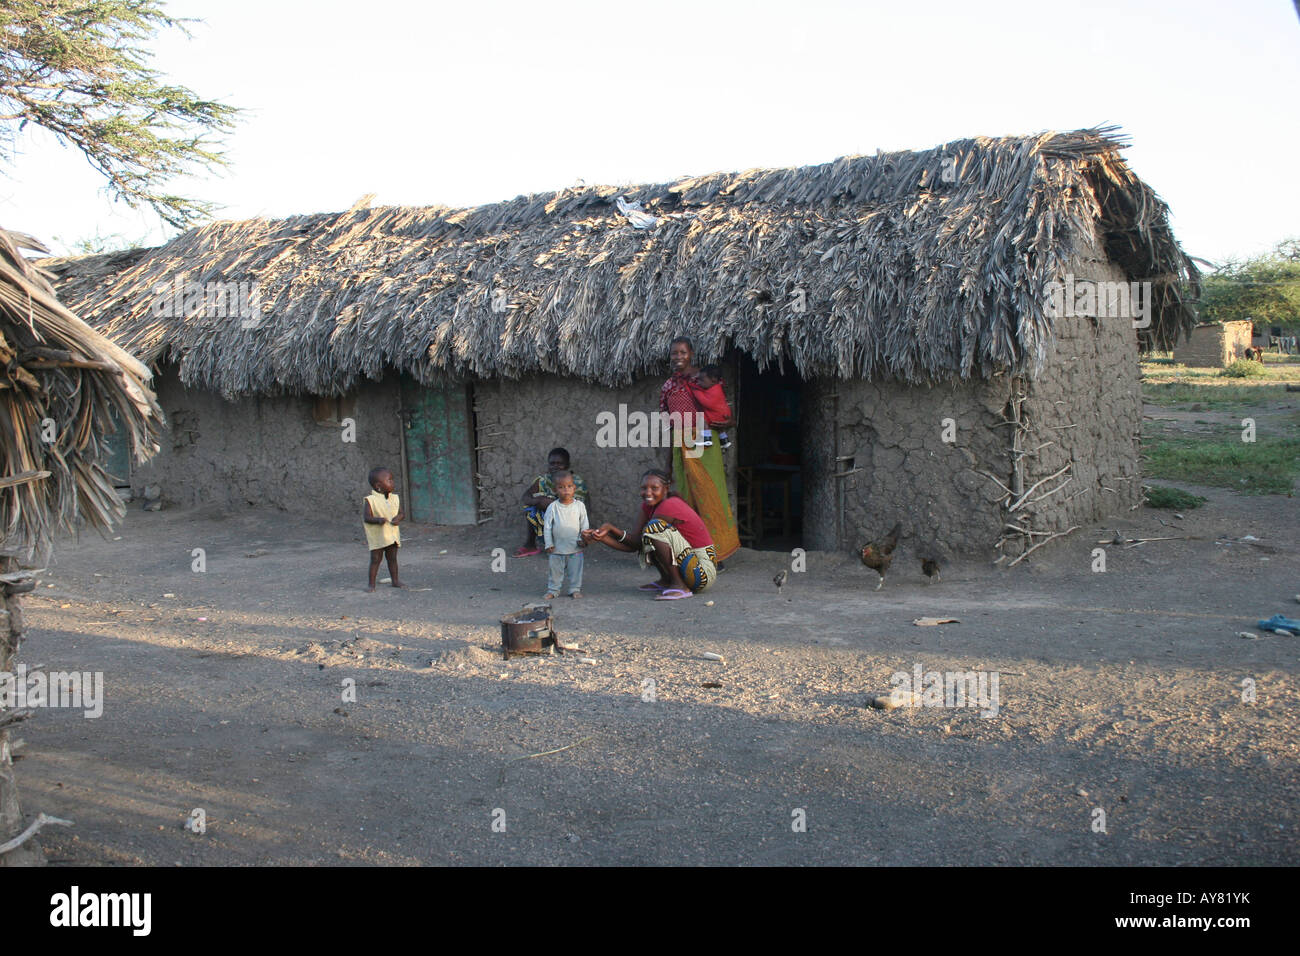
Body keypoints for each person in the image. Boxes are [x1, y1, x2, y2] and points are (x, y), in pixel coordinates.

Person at [659, 337, 740, 561]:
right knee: (687, 500)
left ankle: (717, 554)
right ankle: (694, 553)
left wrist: (728, 423)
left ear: (691, 354)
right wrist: (668, 463)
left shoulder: (705, 379)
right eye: (674, 353)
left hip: (705, 446)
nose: (678, 357)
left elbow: (723, 410)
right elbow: (669, 426)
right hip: (681, 444)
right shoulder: (668, 386)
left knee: (710, 496)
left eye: (683, 352)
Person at [582, 468, 716, 601]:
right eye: (644, 488)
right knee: (650, 534)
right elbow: (636, 543)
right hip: (692, 569)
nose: (648, 492)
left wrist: (611, 529)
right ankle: (667, 580)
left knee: (654, 528)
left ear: (666, 488)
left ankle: (680, 586)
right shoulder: (648, 506)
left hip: (702, 574)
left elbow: (638, 542)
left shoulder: (670, 505)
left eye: (654, 488)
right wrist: (602, 536)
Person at [516, 447, 589, 557]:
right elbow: (526, 496)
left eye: (560, 464)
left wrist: (549, 504)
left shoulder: (575, 482)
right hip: (550, 521)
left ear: (567, 465)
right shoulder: (544, 480)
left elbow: (575, 508)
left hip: (570, 523)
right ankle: (530, 545)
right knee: (531, 509)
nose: (555, 466)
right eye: (552, 463)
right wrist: (538, 501)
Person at [542, 470, 589, 599]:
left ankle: (575, 589)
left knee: (575, 570)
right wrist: (549, 543)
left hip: (575, 547)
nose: (566, 490)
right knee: (555, 571)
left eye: (569, 486)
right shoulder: (553, 507)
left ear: (574, 488)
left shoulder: (579, 506)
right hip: (557, 548)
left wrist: (582, 539)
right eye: (561, 487)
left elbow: (584, 525)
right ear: (555, 490)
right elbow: (547, 527)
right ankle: (553, 590)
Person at [362, 466, 405, 592]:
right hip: (378, 537)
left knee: (392, 559)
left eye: (392, 479)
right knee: (375, 560)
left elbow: (402, 513)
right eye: (389, 480)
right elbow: (366, 517)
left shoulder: (395, 498)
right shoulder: (370, 500)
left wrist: (398, 518)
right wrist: (378, 520)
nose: (392, 482)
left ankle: (395, 580)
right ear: (378, 486)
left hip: (392, 536)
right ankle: (371, 584)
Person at [689, 364, 734, 449]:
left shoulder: (716, 390)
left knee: (702, 419)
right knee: (719, 429)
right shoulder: (716, 387)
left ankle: (706, 439)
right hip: (723, 415)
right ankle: (724, 440)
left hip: (719, 415)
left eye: (701, 380)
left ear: (713, 380)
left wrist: (696, 391)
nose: (698, 383)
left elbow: (706, 403)